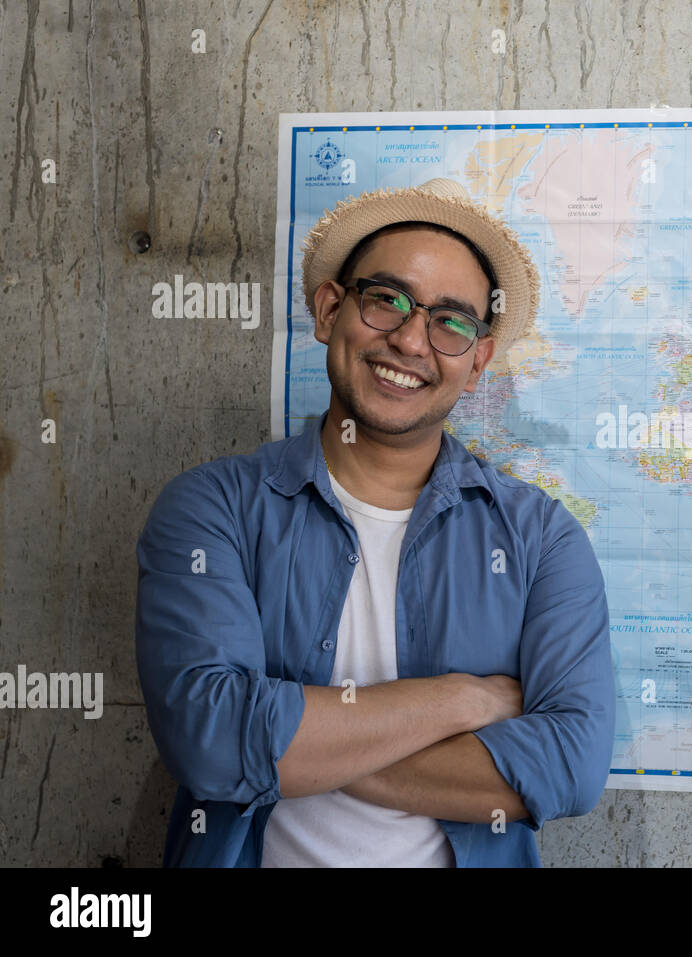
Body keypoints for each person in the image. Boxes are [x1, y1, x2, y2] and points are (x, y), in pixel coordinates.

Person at [134, 177, 615, 867]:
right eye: (387, 299)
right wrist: (461, 700)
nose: (412, 341)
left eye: (451, 321)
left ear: (477, 361)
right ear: (331, 309)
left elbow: (571, 766)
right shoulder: (212, 509)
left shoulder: (541, 541)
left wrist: (299, 744)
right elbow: (209, 740)